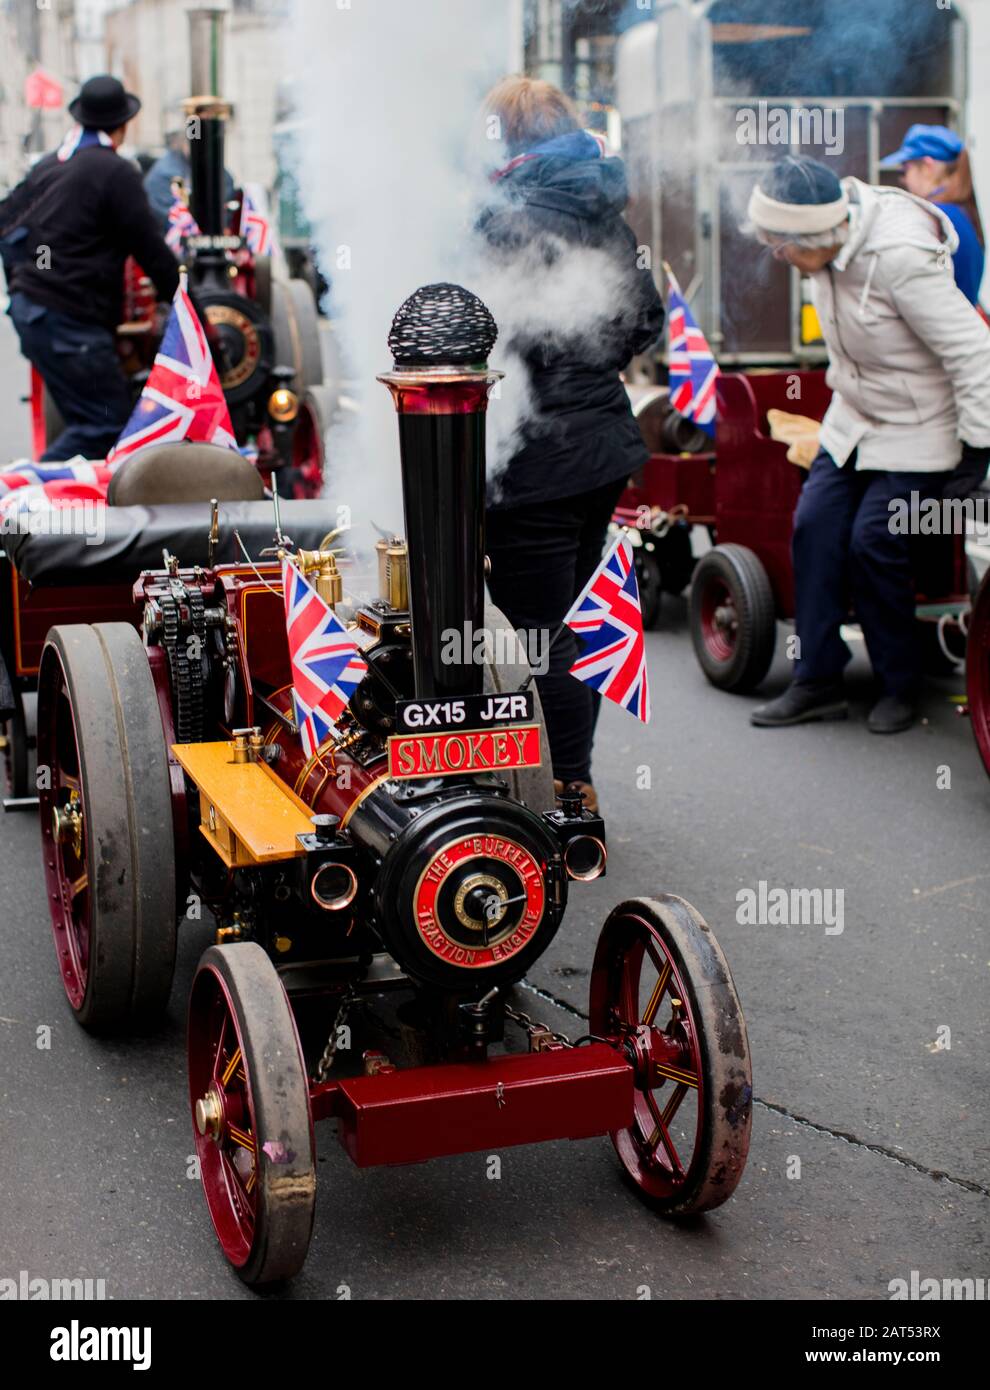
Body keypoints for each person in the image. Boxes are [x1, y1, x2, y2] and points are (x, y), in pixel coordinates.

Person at [744, 156, 990, 735]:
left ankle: (899, 685)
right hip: (853, 418)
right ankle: (817, 680)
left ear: (821, 235)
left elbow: (972, 350)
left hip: (921, 426)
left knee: (874, 542)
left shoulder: (900, 258)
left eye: (784, 247)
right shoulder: (822, 241)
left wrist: (978, 447)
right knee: (815, 527)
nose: (779, 258)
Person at [477, 76, 664, 809]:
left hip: (536, 460)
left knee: (536, 635)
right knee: (572, 623)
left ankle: (563, 790)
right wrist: (588, 362)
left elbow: (479, 334)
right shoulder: (602, 210)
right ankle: (571, 779)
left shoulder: (504, 216)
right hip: (603, 449)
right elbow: (643, 321)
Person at [0, 76, 179, 460]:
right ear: (123, 125)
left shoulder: (51, 166)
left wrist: (22, 283)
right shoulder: (116, 172)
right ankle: (13, 499)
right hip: (70, 320)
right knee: (104, 427)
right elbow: (151, 251)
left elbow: (5, 225)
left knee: (93, 423)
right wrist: (188, 306)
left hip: (35, 312)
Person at [880, 124, 985, 306]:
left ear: (927, 166)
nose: (904, 180)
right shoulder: (962, 213)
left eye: (905, 170)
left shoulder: (938, 218)